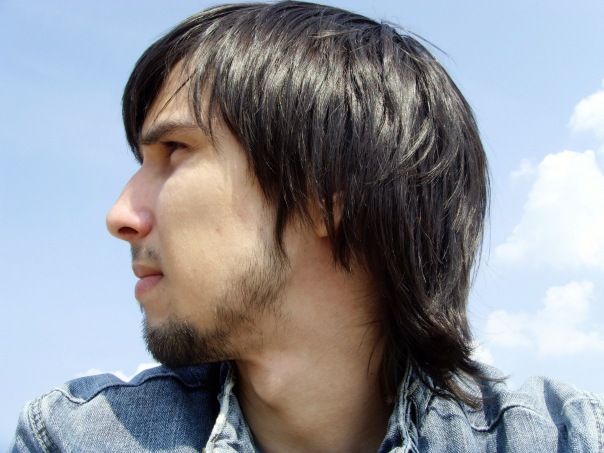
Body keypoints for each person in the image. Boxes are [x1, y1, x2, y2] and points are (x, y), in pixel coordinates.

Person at [11, 1, 604, 452]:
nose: (120, 215)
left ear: (326, 194)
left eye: (175, 150)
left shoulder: (562, 438)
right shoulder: (75, 437)